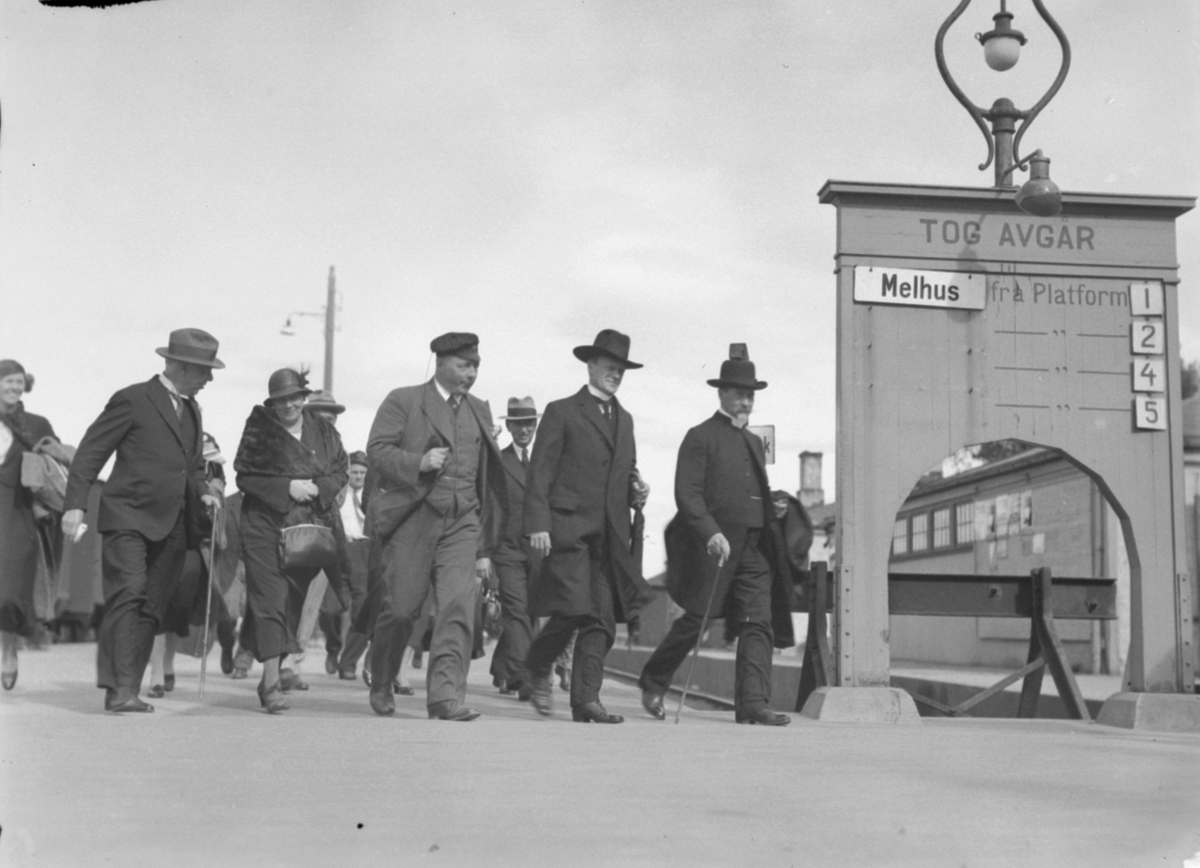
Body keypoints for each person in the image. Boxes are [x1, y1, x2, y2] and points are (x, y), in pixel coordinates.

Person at [62, 329, 223, 713]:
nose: (209, 379)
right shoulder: (132, 399)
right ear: (182, 366)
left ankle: (127, 688)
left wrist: (203, 491)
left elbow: (191, 467)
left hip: (173, 525)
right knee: (128, 593)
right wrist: (76, 504)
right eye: (205, 371)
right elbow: (91, 451)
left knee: (151, 606)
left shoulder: (193, 410)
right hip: (128, 518)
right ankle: (119, 689)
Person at [638, 345, 794, 726]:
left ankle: (753, 704)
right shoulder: (700, 437)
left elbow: (750, 489)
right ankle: (654, 681)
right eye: (739, 394)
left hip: (754, 548)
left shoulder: (754, 442)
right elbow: (687, 494)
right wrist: (710, 533)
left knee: (758, 620)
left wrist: (771, 506)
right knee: (697, 620)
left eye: (751, 395)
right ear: (721, 393)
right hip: (716, 549)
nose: (746, 401)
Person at [359, 332, 507, 720]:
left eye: (476, 366)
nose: (471, 373)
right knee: (402, 609)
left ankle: (444, 696)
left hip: (462, 520)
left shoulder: (479, 410)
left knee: (457, 605)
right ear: (440, 363)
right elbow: (377, 451)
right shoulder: (404, 400)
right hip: (413, 517)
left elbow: (484, 474)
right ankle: (382, 677)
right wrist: (418, 463)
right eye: (463, 365)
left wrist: (483, 543)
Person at [523, 329, 651, 723]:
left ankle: (585, 701)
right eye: (610, 366)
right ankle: (538, 665)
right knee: (574, 607)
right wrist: (538, 524)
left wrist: (636, 488)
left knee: (601, 618)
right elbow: (540, 472)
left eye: (621, 369)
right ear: (591, 365)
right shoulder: (562, 411)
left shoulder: (625, 420)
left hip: (610, 535)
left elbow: (625, 470)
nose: (616, 374)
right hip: (568, 529)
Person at [233, 368, 348, 713]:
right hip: (263, 526)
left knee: (290, 605)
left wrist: (319, 487)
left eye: (294, 398)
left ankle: (269, 670)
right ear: (272, 402)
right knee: (270, 600)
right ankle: (271, 683)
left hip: (306, 530)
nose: (288, 405)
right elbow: (244, 476)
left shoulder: (324, 432)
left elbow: (340, 470)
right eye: (281, 400)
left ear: (304, 397)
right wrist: (287, 487)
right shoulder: (260, 429)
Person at [0, 360, 69, 690]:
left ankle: (8, 650)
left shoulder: (36, 424)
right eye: (7, 381)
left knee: (8, 593)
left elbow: (59, 466)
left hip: (19, 512)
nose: (14, 387)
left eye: (18, 382)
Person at [147, 432, 229, 696]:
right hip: (164, 535)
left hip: (195, 542)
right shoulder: (166, 450)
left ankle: (168, 662)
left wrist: (213, 489)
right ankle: (156, 673)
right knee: (160, 603)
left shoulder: (213, 461)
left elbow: (220, 496)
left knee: (181, 606)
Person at [488, 396, 542, 698]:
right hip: (507, 549)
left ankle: (502, 669)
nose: (524, 430)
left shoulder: (545, 460)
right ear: (509, 426)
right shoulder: (499, 460)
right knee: (517, 611)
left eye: (529, 424)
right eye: (518, 424)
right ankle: (525, 676)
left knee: (528, 613)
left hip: (539, 550)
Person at [333, 450, 373, 681]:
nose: (358, 476)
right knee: (329, 610)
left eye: (362, 473)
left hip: (362, 551)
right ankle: (332, 647)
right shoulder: (338, 494)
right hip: (337, 549)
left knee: (362, 608)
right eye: (354, 472)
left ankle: (347, 662)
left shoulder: (372, 496)